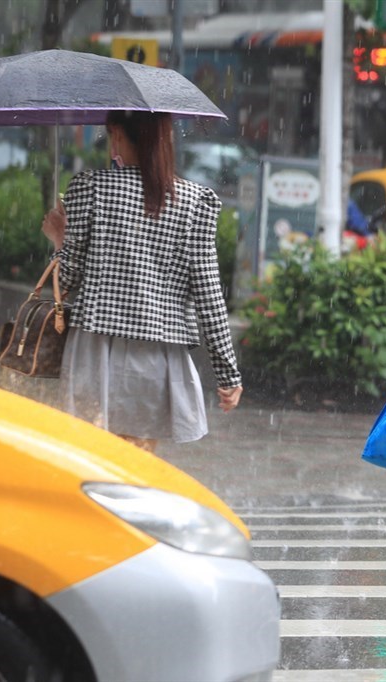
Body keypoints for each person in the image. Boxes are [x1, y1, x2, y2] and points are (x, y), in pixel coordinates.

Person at [41, 110, 243, 453]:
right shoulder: (195, 202)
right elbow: (209, 293)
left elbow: (68, 279)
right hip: (158, 355)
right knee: (138, 466)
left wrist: (60, 241)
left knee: (91, 459)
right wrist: (228, 373)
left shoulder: (91, 187)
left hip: (95, 348)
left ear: (117, 133)